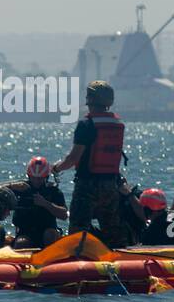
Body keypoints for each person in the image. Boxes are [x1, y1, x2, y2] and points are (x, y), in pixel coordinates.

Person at [53, 81, 129, 247]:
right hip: (111, 185)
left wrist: (56, 168)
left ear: (91, 99)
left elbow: (73, 159)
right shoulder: (117, 124)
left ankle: (76, 263)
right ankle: (121, 262)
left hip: (87, 185)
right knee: (112, 230)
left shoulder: (86, 125)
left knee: (78, 229)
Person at [4, 156, 68, 248]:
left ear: (46, 177)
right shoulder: (20, 188)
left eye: (40, 178)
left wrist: (45, 203)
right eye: (34, 178)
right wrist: (10, 186)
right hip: (25, 232)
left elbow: (64, 215)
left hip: (47, 231)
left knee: (49, 235)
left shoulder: (53, 191)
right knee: (21, 243)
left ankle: (50, 258)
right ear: (29, 176)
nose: (37, 181)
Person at [115, 176, 147, 246]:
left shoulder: (136, 195)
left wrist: (129, 195)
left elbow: (145, 216)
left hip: (135, 236)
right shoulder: (107, 198)